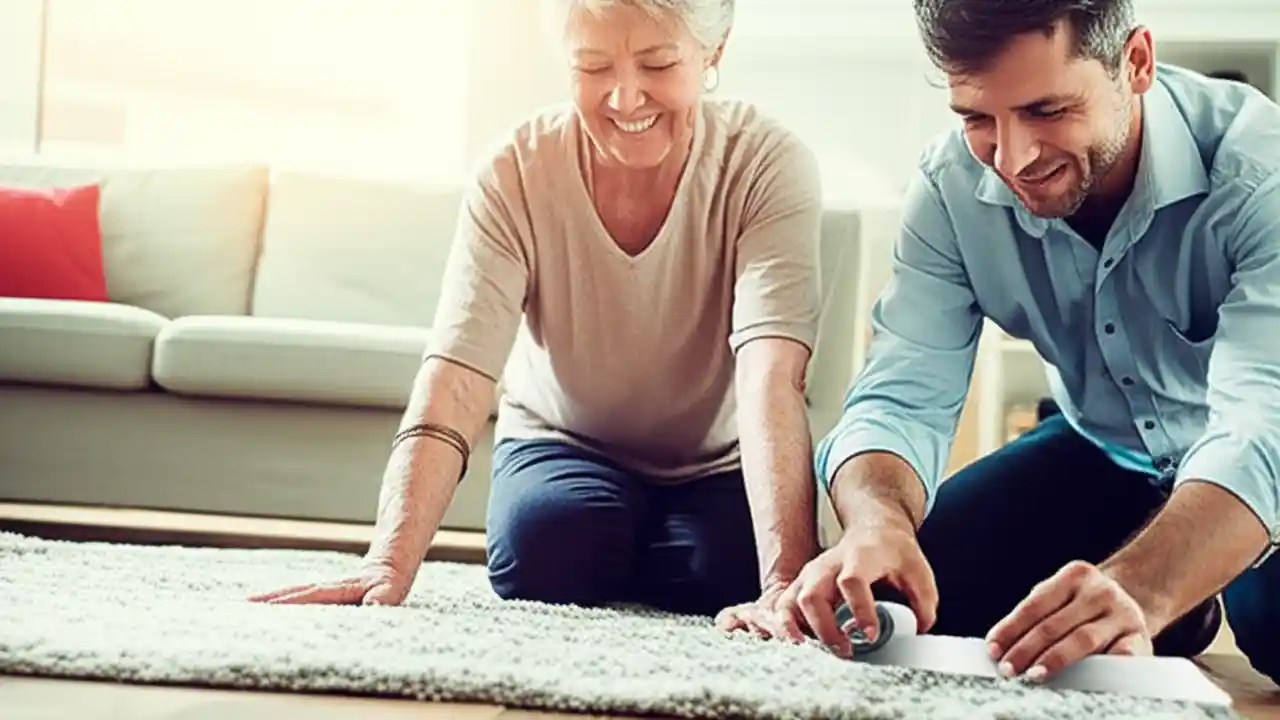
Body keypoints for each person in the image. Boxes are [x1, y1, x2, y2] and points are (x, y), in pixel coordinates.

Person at [249, 0, 826, 620]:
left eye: (657, 64)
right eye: (593, 66)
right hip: (565, 440)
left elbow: (771, 373)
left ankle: (661, 545)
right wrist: (387, 560)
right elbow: (458, 375)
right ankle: (636, 541)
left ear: (714, 51)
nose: (625, 99)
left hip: (717, 457)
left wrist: (782, 584)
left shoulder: (767, 163)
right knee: (549, 551)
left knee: (726, 570)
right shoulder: (515, 171)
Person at [759, 0, 1280, 685]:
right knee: (902, 595)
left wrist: (1144, 586)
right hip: (1104, 446)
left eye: (1046, 110)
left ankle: (1162, 598)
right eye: (977, 118)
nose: (1013, 158)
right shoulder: (950, 187)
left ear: (1137, 63)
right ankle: (1170, 610)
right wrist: (874, 521)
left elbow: (1261, 433)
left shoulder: (1259, 174)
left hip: (1251, 464)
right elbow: (899, 397)